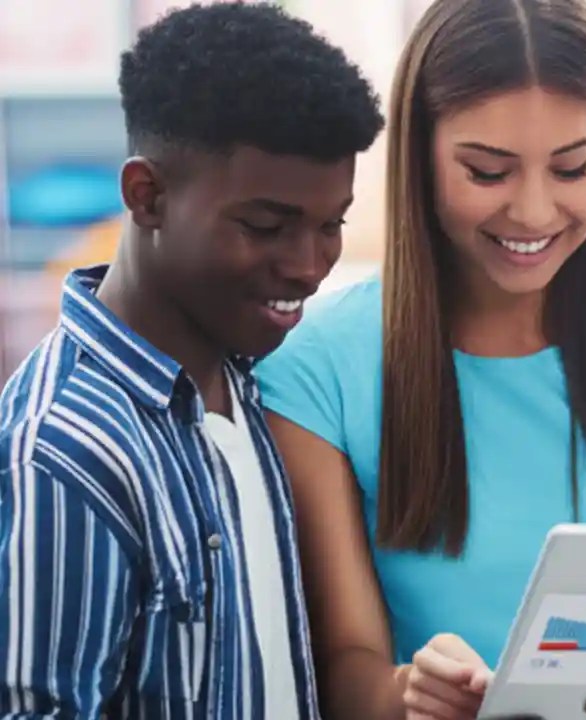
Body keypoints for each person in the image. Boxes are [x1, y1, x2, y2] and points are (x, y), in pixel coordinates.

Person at [251, 0, 586, 717]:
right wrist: (411, 693)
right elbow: (343, 669)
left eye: (574, 168)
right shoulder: (317, 366)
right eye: (488, 172)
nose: (534, 212)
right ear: (420, 156)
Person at [0, 3, 383, 717]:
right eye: (265, 226)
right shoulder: (63, 452)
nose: (309, 266)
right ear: (147, 196)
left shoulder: (248, 384)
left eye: (331, 225)